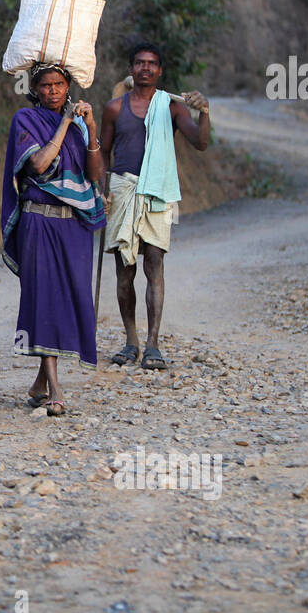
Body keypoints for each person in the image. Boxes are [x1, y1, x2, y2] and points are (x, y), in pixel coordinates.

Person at [1, 63, 106, 416]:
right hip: (39, 222)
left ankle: (39, 381)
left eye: (59, 84)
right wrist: (64, 123)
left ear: (68, 85)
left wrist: (89, 129)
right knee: (44, 299)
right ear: (34, 88)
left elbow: (94, 176)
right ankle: (56, 387)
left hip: (73, 226)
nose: (52, 92)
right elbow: (41, 165)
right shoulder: (26, 119)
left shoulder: (80, 125)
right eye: (45, 85)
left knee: (71, 298)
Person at [98, 41, 210, 370]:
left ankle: (153, 345)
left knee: (155, 266)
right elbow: (103, 152)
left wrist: (205, 111)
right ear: (131, 70)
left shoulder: (172, 107)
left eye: (152, 64)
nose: (145, 68)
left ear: (160, 71)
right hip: (122, 190)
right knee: (124, 271)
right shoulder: (114, 108)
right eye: (139, 63)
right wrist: (102, 189)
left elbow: (200, 143)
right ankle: (131, 341)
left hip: (157, 193)